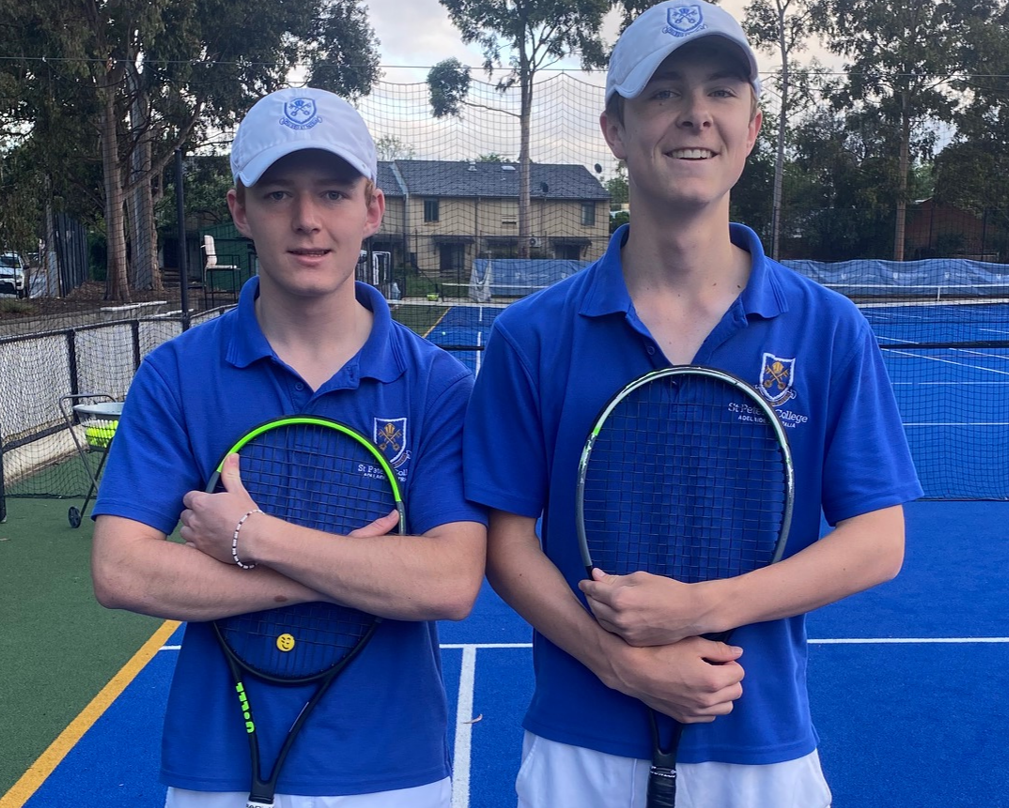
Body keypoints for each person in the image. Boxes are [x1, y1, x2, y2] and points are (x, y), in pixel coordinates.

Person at [462, 2, 922, 806]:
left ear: (749, 128)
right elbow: (506, 543)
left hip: (760, 744)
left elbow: (878, 540)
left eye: (720, 91)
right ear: (614, 128)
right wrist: (620, 662)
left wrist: (702, 608)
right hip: (579, 745)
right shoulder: (531, 335)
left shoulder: (829, 329)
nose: (695, 115)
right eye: (664, 93)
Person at [90, 87, 487, 808]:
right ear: (240, 210)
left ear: (371, 209)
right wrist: (356, 569)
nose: (307, 221)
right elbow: (121, 571)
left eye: (332, 193)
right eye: (278, 195)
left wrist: (251, 536)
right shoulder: (176, 374)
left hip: (394, 768)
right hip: (217, 766)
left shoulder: (436, 384)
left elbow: (449, 583)